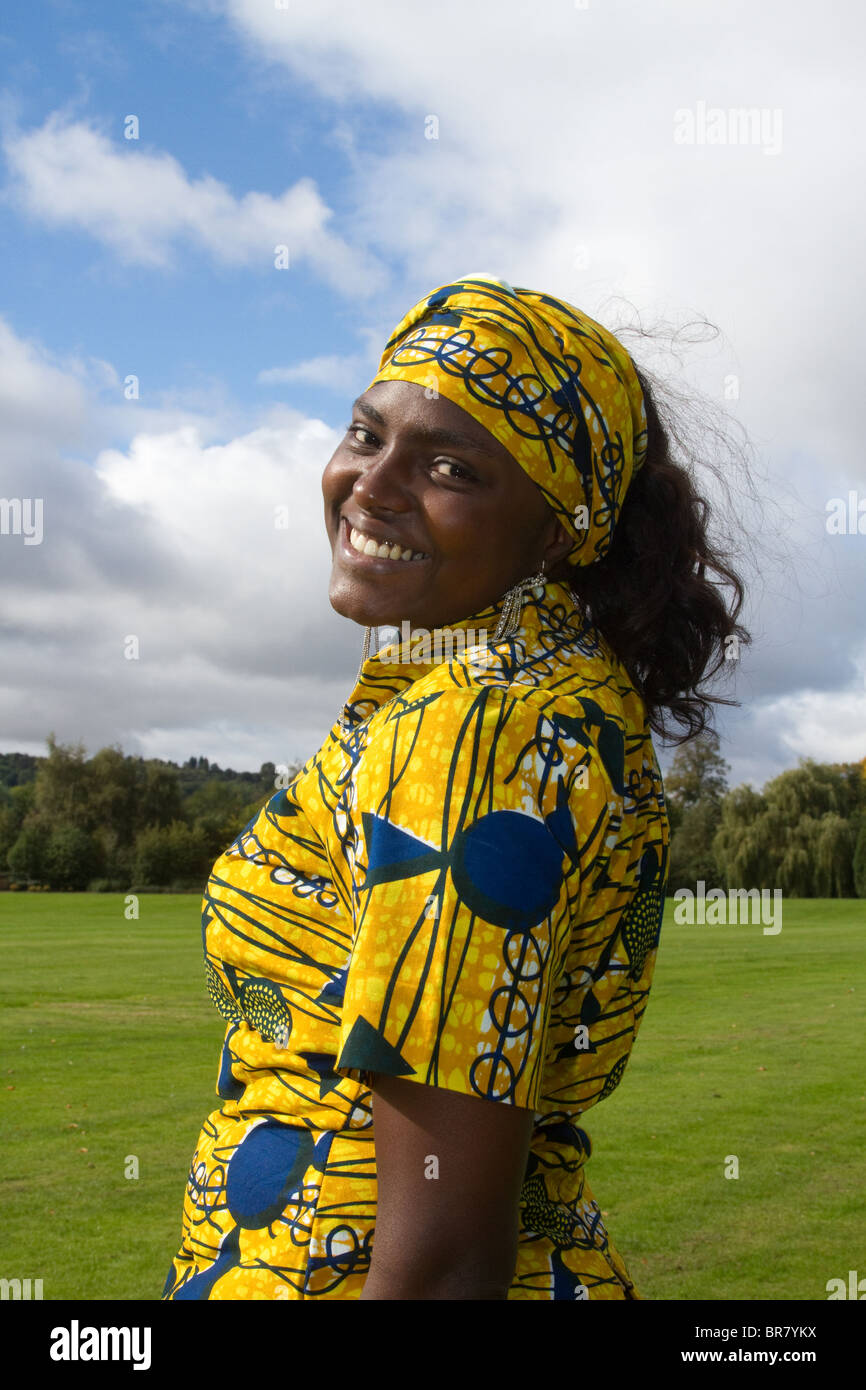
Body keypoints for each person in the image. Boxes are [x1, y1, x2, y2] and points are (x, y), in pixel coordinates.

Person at [162, 273, 746, 1301]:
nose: (372, 486)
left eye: (448, 467)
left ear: (556, 530)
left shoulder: (480, 730)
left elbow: (438, 1251)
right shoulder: (553, 691)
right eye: (366, 433)